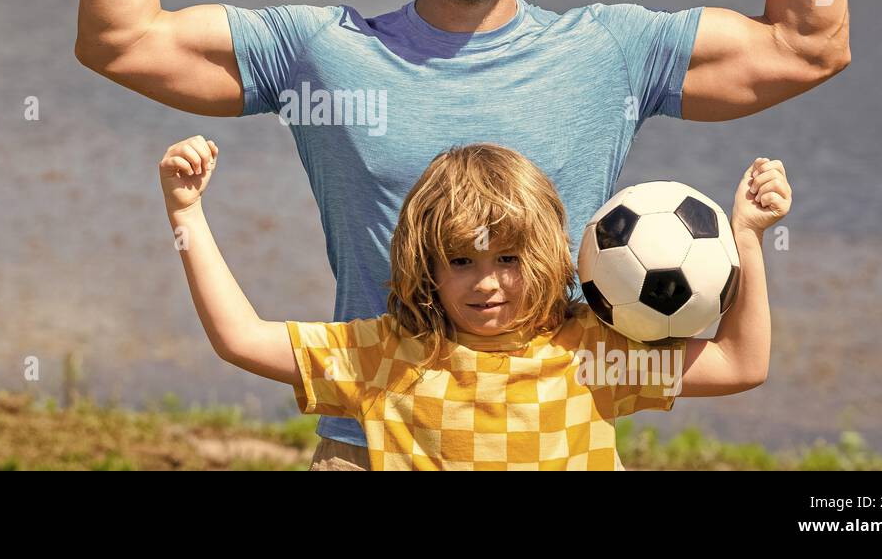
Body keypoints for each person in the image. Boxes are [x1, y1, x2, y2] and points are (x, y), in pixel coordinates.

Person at [77, 0, 848, 467]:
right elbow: (119, 40)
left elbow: (808, 46)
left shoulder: (611, 51)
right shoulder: (323, 52)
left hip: (551, 438)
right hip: (370, 446)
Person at [158, 134, 791, 470]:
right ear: (426, 265)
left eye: (508, 259)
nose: (486, 283)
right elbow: (240, 337)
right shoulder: (386, 357)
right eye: (461, 261)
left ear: (545, 255)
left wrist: (747, 240)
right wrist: (186, 212)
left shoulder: (594, 352)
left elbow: (742, 364)